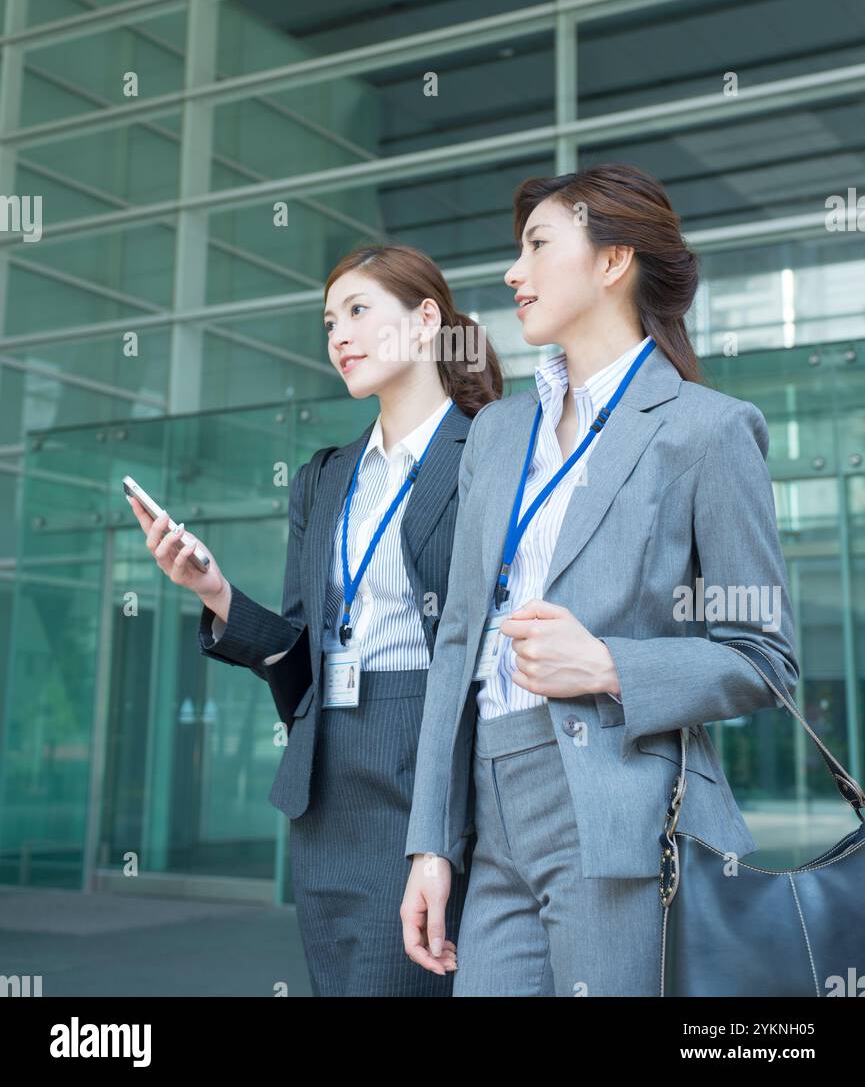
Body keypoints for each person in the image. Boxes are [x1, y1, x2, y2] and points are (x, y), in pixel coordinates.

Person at [400, 163, 800, 997]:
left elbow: (765, 656)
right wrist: (430, 843)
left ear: (612, 262)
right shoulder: (498, 432)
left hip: (615, 804)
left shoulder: (705, 431)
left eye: (538, 246)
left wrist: (610, 666)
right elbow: (454, 648)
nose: (513, 272)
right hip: (489, 799)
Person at [127, 243, 502, 996]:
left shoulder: (487, 451)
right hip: (326, 778)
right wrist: (217, 592)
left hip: (430, 760)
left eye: (358, 311)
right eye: (328, 321)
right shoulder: (324, 479)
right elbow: (301, 658)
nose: (338, 335)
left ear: (426, 319)